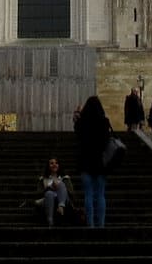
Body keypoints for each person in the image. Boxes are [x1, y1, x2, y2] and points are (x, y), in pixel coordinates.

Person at [74, 94, 113, 228]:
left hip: (86, 162)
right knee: (101, 194)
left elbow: (77, 137)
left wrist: (78, 116)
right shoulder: (104, 122)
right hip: (100, 163)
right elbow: (107, 141)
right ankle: (101, 224)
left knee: (88, 194)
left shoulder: (81, 122)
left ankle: (90, 224)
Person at [38, 157, 71, 227]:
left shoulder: (65, 178)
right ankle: (50, 220)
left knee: (61, 184)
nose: (54, 165)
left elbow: (71, 193)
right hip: (48, 201)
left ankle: (61, 206)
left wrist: (59, 188)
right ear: (48, 166)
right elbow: (39, 194)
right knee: (49, 193)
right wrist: (50, 188)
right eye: (51, 163)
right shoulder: (43, 179)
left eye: (56, 163)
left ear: (59, 165)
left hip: (64, 201)